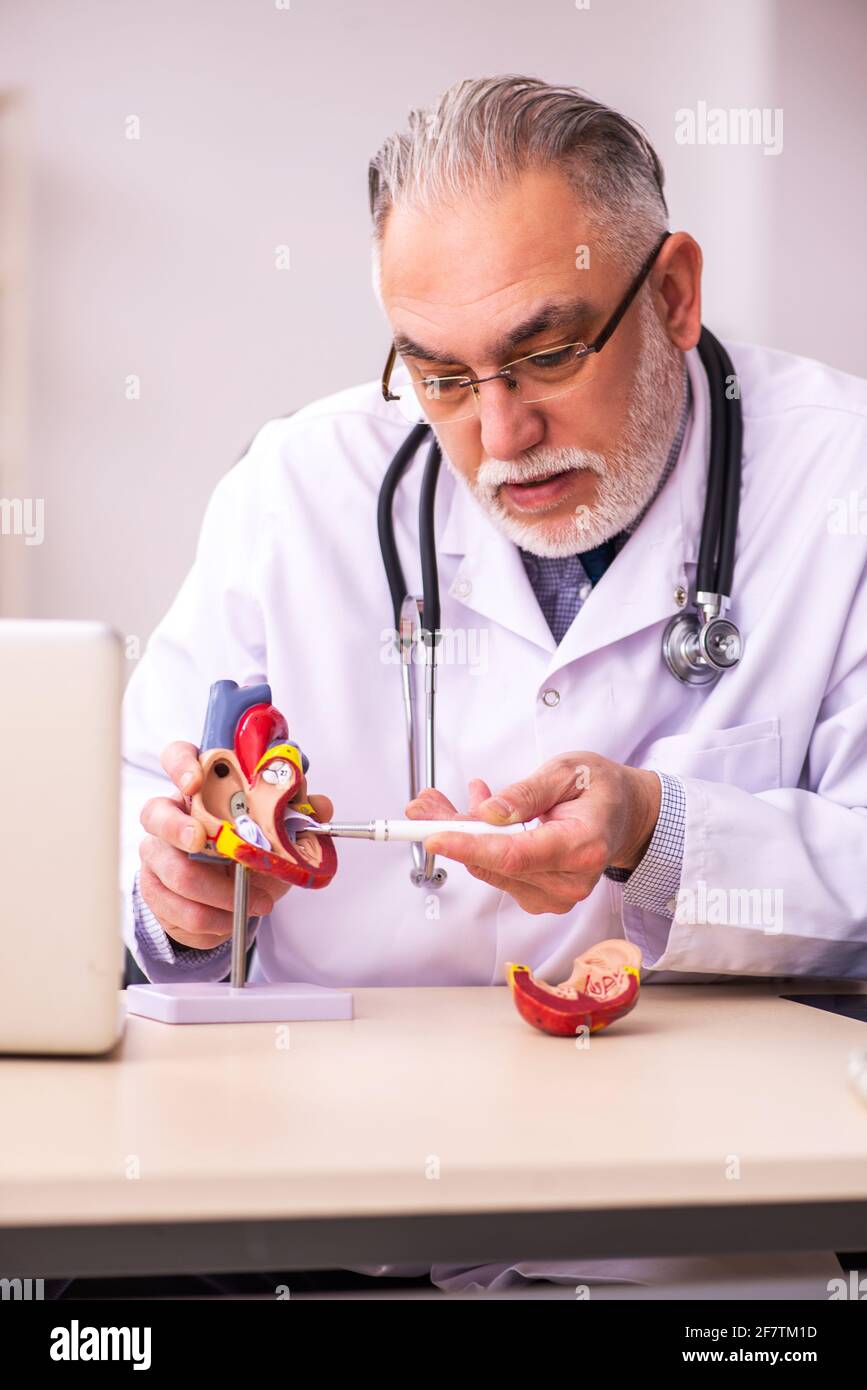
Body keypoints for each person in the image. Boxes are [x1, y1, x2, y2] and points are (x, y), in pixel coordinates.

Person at [121, 75, 866, 1293]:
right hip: (314, 1221)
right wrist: (180, 900)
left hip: (684, 1243)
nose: (501, 434)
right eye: (441, 374)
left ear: (673, 294)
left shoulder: (843, 481)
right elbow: (119, 832)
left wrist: (660, 831)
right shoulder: (295, 492)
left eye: (549, 351)